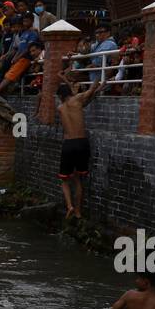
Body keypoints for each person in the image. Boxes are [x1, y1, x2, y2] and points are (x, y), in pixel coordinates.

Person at [56, 66, 107, 219]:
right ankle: (78, 212)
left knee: (64, 180)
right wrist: (98, 80)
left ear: (60, 96)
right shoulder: (77, 99)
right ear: (70, 93)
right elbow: (88, 94)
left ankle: (69, 206)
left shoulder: (60, 108)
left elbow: (83, 101)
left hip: (68, 144)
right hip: (82, 143)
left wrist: (94, 89)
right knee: (78, 180)